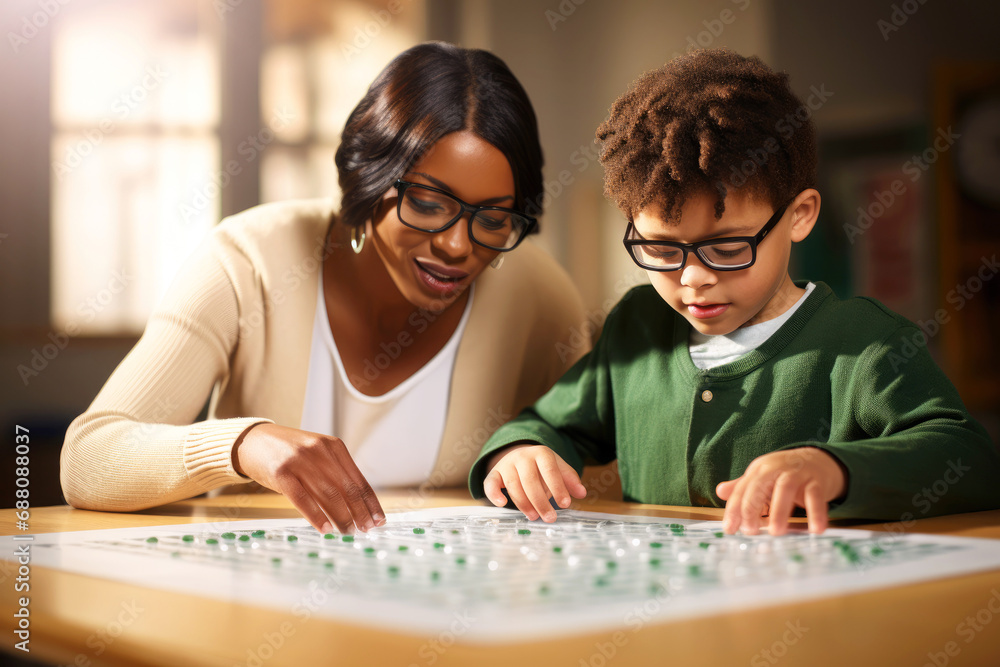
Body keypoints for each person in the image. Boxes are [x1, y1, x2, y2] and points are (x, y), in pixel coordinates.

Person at [61, 42, 590, 534]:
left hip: (441, 611)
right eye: (429, 204)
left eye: (494, 219)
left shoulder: (539, 297)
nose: (457, 246)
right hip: (252, 607)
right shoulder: (248, 261)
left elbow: (592, 479)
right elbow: (87, 460)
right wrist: (246, 444)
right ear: (369, 176)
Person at [468, 49, 1000, 536]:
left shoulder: (864, 343)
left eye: (725, 249)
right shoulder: (637, 327)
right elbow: (548, 423)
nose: (693, 278)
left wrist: (835, 469)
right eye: (661, 251)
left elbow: (968, 459)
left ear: (799, 216)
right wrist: (520, 451)